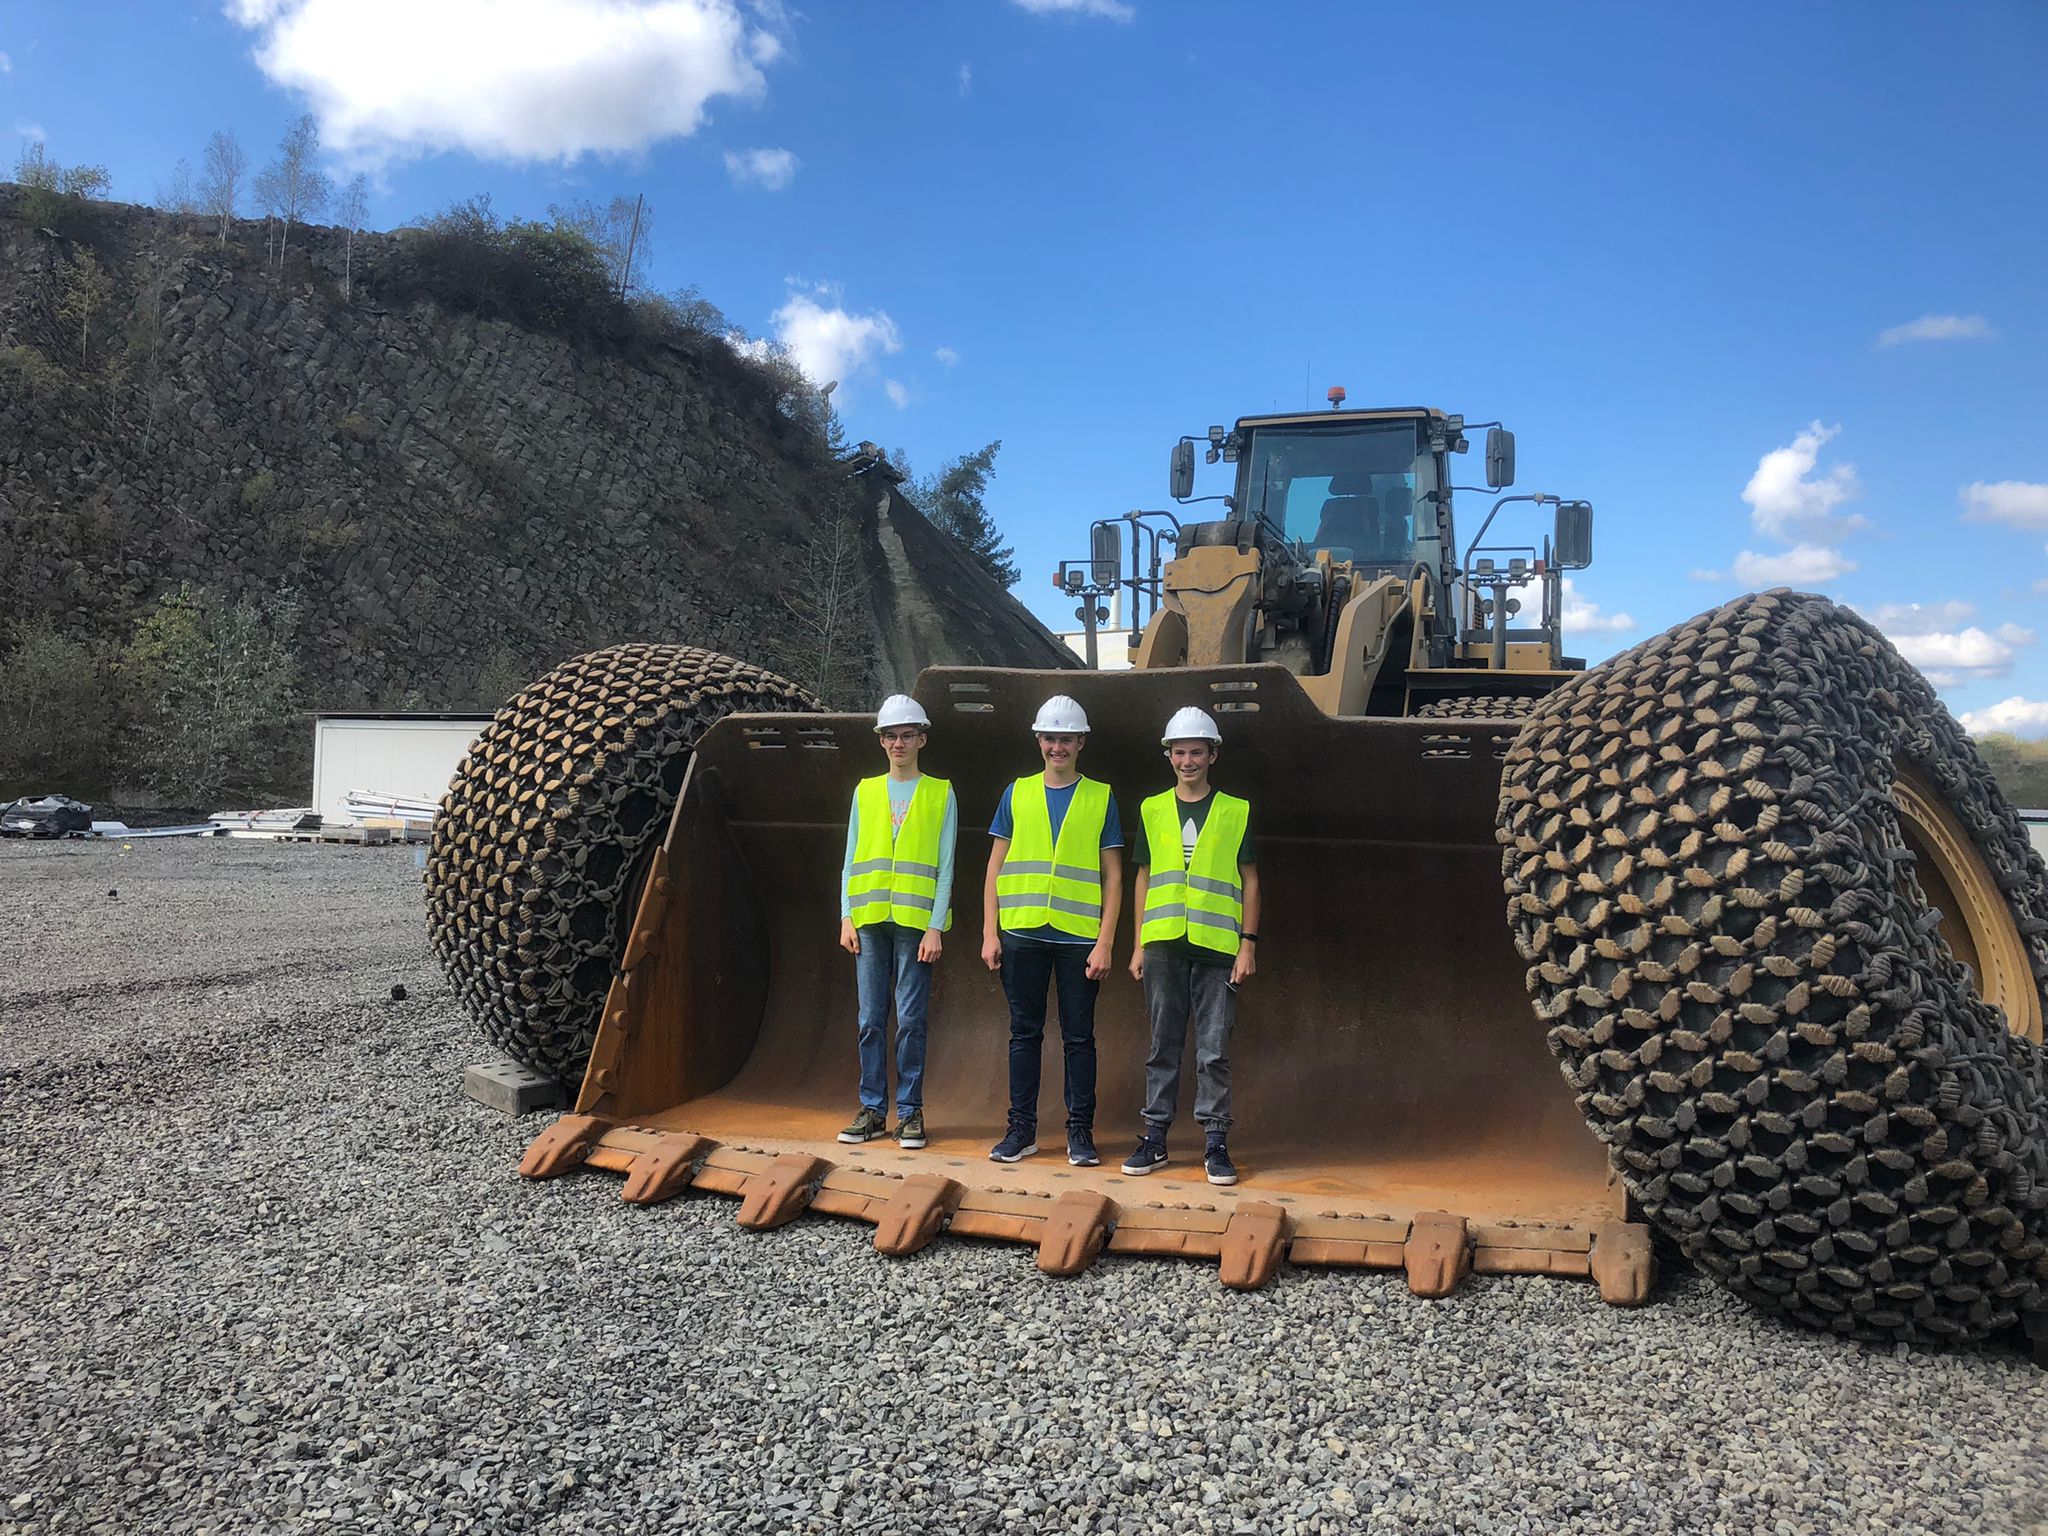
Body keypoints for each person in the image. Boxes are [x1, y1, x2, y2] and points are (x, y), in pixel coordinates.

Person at [980, 694, 1122, 1167]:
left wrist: (1105, 942)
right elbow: (995, 866)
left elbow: (1113, 876)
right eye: (1050, 738)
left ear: (1080, 743)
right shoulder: (1016, 792)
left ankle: (1080, 1132)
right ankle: (1021, 1129)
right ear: (1038, 740)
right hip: (1021, 933)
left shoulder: (1101, 796)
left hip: (1079, 938)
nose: (1057, 747)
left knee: (1079, 1038)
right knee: (1024, 1034)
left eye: (1066, 739)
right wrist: (989, 931)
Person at [1122, 706, 1260, 1186]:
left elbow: (1249, 879)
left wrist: (1248, 944)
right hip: (1162, 943)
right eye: (1180, 752)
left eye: (1196, 752)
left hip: (1217, 946)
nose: (1188, 760)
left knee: (1213, 1049)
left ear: (1212, 755)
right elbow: (1143, 876)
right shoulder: (1151, 808)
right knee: (1162, 1044)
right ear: (1169, 756)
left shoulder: (1234, 810)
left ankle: (1215, 1142)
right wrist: (1139, 942)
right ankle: (1155, 1137)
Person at [837, 693, 957, 1151]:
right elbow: (849, 859)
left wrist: (935, 926)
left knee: (911, 1019)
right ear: (881, 741)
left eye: (907, 735)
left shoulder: (941, 792)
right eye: (891, 735)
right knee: (870, 1018)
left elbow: (946, 865)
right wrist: (846, 915)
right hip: (868, 920)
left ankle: (909, 1112)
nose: (898, 743)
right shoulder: (865, 791)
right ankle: (871, 1109)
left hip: (913, 923)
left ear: (921, 739)